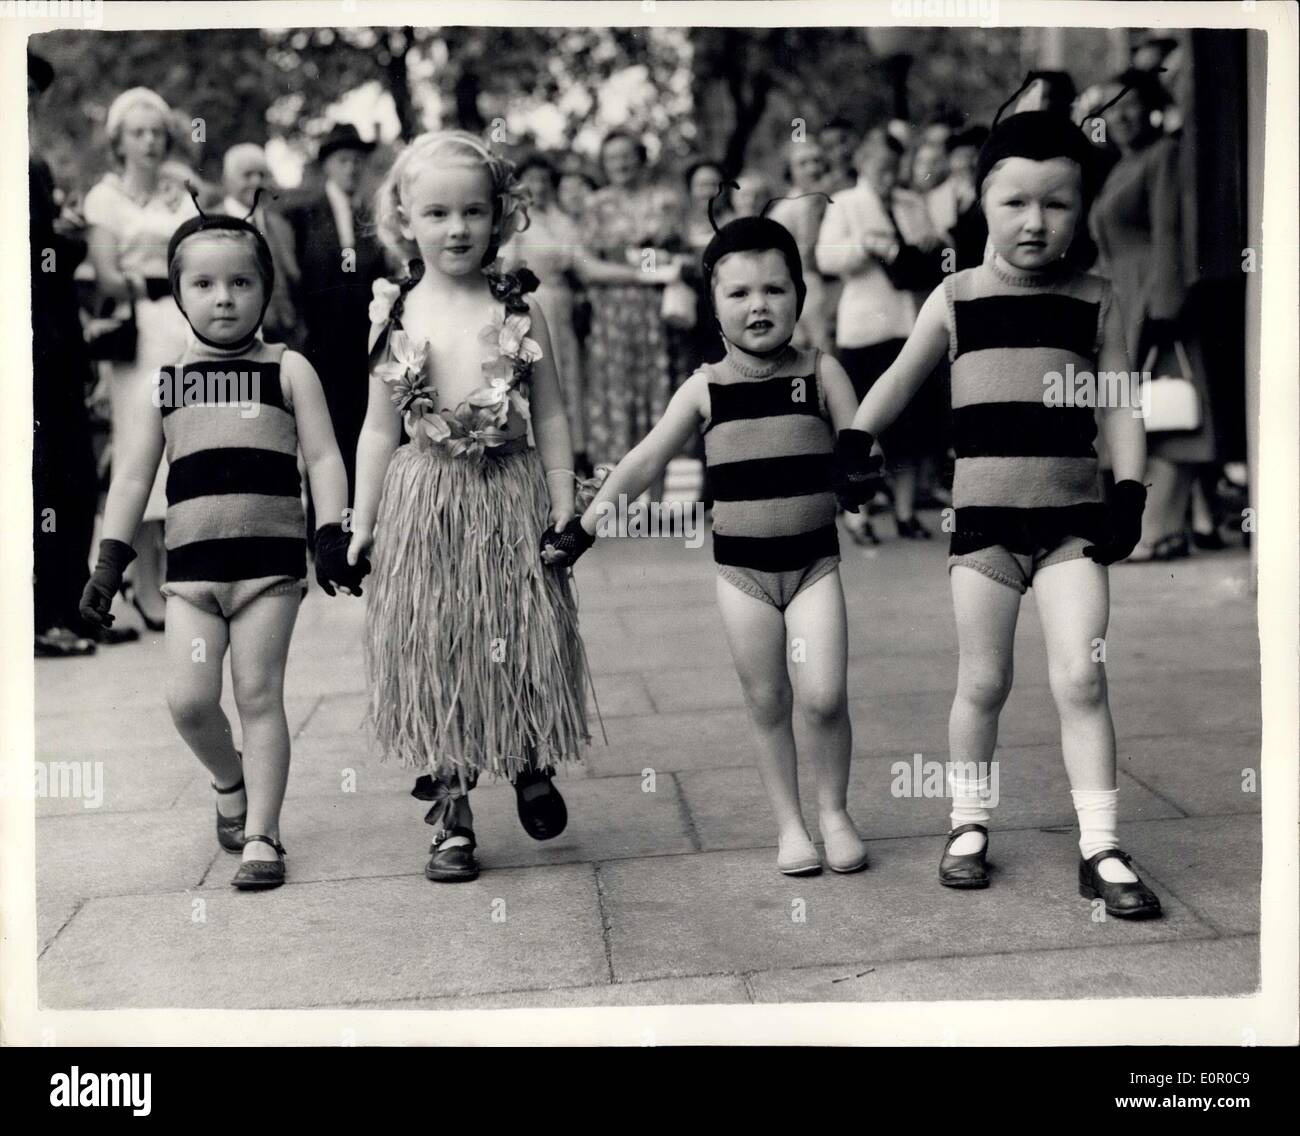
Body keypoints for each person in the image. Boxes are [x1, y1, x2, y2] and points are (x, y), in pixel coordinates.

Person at [834, 104, 1163, 920]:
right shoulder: (954, 296)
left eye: (1057, 202)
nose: (1035, 220)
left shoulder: (1096, 298)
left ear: (1080, 209)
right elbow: (900, 378)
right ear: (981, 199)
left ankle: (1100, 844)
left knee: (1082, 675)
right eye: (1015, 200)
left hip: (1072, 525)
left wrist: (1130, 487)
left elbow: (1121, 403)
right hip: (982, 528)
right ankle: (969, 825)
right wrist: (855, 437)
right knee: (983, 679)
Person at [544, 211, 869, 878]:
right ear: (712, 306)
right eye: (739, 293)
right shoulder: (705, 388)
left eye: (776, 290)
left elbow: (864, 441)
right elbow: (641, 464)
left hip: (814, 566)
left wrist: (863, 469)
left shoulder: (823, 371)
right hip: (742, 576)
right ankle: (791, 825)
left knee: (825, 696)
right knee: (768, 701)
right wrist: (583, 528)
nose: (759, 306)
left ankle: (835, 811)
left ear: (800, 297)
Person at [79, 207, 362, 891]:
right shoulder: (168, 382)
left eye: (240, 282)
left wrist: (332, 535)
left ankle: (262, 834)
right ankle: (228, 780)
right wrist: (108, 564)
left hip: (269, 573)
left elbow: (324, 457)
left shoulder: (289, 369)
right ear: (179, 294)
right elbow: (134, 478)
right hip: (191, 578)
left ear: (266, 288)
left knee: (259, 695)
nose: (224, 297)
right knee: (189, 701)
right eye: (203, 284)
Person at [350, 131, 593, 884]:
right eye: (437, 212)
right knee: (438, 640)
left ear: (500, 216)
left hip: (510, 487)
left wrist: (564, 502)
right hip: (427, 496)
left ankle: (526, 754)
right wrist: (360, 523)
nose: (457, 228)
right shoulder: (394, 313)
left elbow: (550, 412)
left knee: (518, 627)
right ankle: (451, 812)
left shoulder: (519, 307)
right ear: (404, 220)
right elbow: (375, 426)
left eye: (473, 211)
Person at [83, 86, 200, 632]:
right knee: (140, 452)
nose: (150, 142)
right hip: (138, 334)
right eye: (138, 133)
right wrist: (149, 277)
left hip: (183, 325)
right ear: (119, 142)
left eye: (157, 132)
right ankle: (143, 582)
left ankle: (180, 574)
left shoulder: (181, 191)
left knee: (185, 445)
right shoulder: (106, 198)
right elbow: (106, 275)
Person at [1090, 68, 1215, 561]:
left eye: (1130, 106)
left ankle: (1158, 529)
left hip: (1151, 294)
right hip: (1121, 293)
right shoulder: (1123, 164)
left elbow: (1168, 230)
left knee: (1164, 414)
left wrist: (1167, 305)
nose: (1120, 117)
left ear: (1152, 108)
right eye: (1111, 108)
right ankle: (1161, 530)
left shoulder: (1163, 155)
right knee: (1132, 412)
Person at [815, 128, 944, 542]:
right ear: (862, 165)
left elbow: (935, 247)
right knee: (863, 424)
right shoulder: (846, 204)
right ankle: (860, 514)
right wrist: (865, 246)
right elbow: (825, 256)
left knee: (910, 428)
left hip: (908, 325)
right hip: (865, 327)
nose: (889, 175)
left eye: (894, 167)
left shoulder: (911, 202)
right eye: (880, 167)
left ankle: (905, 514)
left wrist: (930, 242)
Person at [29, 51, 113, 657]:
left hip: (57, 344)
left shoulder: (32, 163)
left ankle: (72, 604)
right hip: (36, 345)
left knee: (74, 478)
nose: (28, 105)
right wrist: (67, 240)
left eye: (32, 95)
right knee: (49, 483)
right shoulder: (25, 166)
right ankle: (45, 615)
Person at [283, 123, 387, 507]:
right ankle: (325, 535)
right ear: (327, 166)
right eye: (344, 161)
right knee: (323, 442)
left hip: (362, 347)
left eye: (358, 161)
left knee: (363, 436)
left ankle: (360, 531)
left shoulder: (370, 216)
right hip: (320, 346)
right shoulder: (304, 214)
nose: (352, 169)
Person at [575, 130, 686, 473]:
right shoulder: (597, 205)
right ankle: (621, 499)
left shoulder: (663, 201)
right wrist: (635, 273)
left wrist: (649, 263)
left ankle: (655, 502)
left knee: (657, 400)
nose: (620, 164)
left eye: (626, 155)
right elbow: (586, 266)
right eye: (611, 158)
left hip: (655, 312)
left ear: (641, 158)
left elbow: (675, 254)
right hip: (612, 316)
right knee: (616, 400)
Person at [501, 154, 589, 474]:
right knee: (540, 372)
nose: (538, 186)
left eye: (543, 179)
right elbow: (508, 265)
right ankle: (539, 452)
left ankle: (576, 450)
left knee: (569, 374)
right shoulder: (518, 221)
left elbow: (579, 261)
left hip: (562, 300)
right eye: (531, 179)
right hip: (532, 300)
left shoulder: (561, 219)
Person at [220, 143, 304, 350]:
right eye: (247, 175)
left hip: (286, 339)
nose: (256, 181)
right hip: (238, 339)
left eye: (262, 175)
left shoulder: (280, 225)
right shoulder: (213, 224)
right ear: (227, 181)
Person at [767, 139, 833, 352]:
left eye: (816, 161)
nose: (812, 168)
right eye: (803, 163)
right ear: (790, 170)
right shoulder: (784, 211)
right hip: (807, 288)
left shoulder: (830, 198)